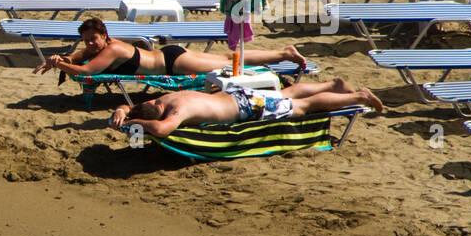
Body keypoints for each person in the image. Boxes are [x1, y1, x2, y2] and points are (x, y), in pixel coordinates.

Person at [34, 16, 307, 79]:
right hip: (170, 54)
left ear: (105, 36)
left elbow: (88, 72)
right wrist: (65, 57)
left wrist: (60, 65)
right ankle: (283, 53)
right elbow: (83, 55)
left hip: (174, 64)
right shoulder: (105, 45)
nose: (90, 44)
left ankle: (279, 60)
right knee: (226, 56)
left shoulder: (113, 50)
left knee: (227, 64)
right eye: (87, 39)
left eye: (94, 38)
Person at [108, 78, 384, 137]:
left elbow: (162, 130)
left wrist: (136, 124)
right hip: (238, 95)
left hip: (249, 106)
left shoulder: (176, 113)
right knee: (288, 93)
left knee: (302, 106)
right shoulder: (161, 101)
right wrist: (122, 112)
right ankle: (333, 83)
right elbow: (128, 106)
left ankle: (359, 97)